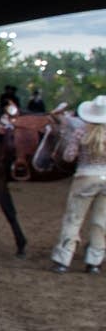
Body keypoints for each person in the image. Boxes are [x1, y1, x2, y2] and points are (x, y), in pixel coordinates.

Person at [49, 95, 106, 274]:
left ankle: (63, 260)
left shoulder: (81, 131)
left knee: (74, 219)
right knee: (100, 221)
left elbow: (68, 156)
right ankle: (94, 262)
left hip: (84, 177)